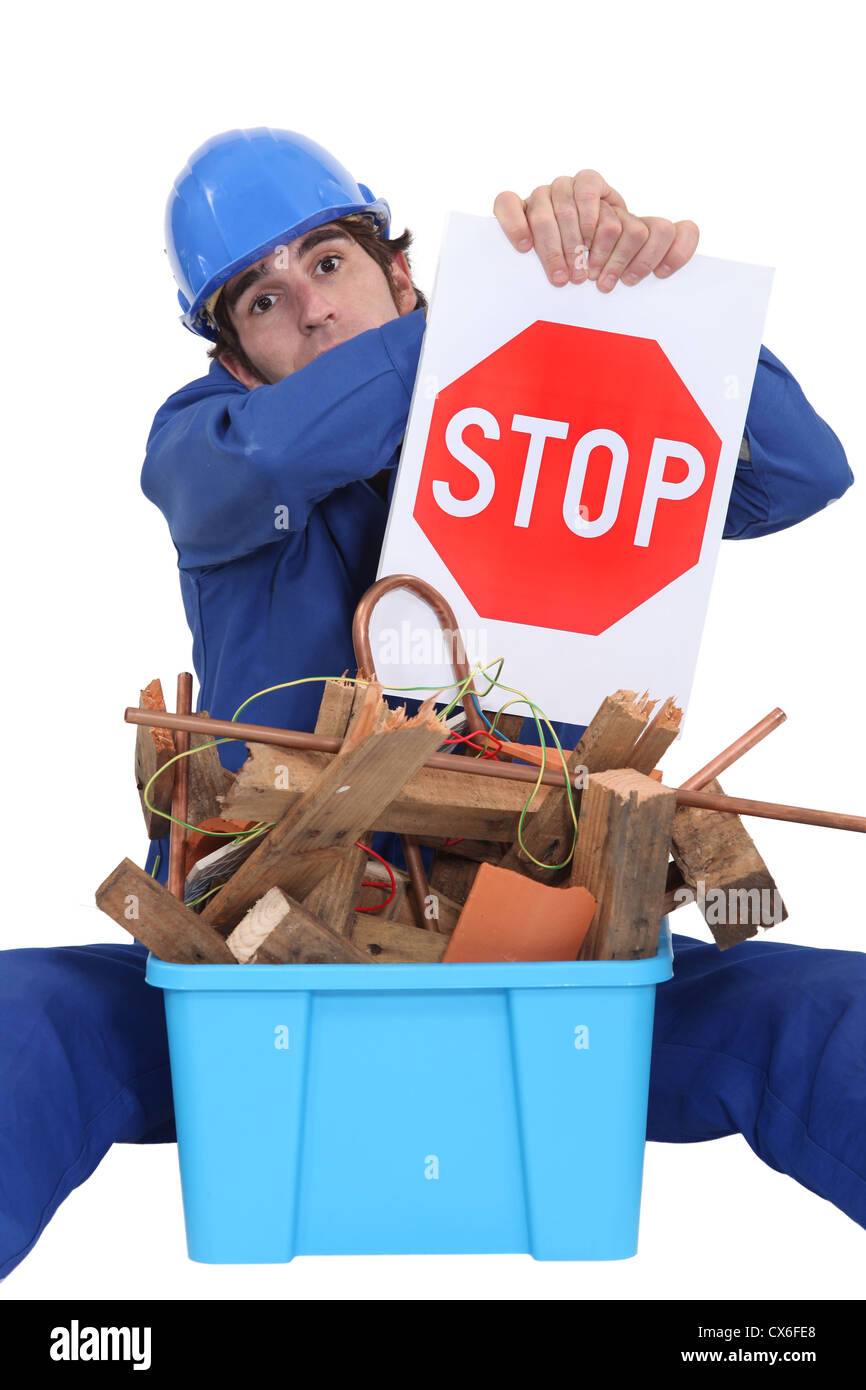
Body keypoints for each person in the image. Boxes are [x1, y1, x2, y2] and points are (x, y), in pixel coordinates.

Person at [0, 129, 860, 1282]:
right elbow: (261, 466)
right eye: (262, 299)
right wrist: (489, 320)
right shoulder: (206, 447)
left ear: (398, 270)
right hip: (254, 998)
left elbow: (795, 474)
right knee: (21, 1022)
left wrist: (642, 298)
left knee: (829, 1017)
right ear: (235, 359)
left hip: (553, 996)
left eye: (328, 262)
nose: (308, 306)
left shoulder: (549, 423)